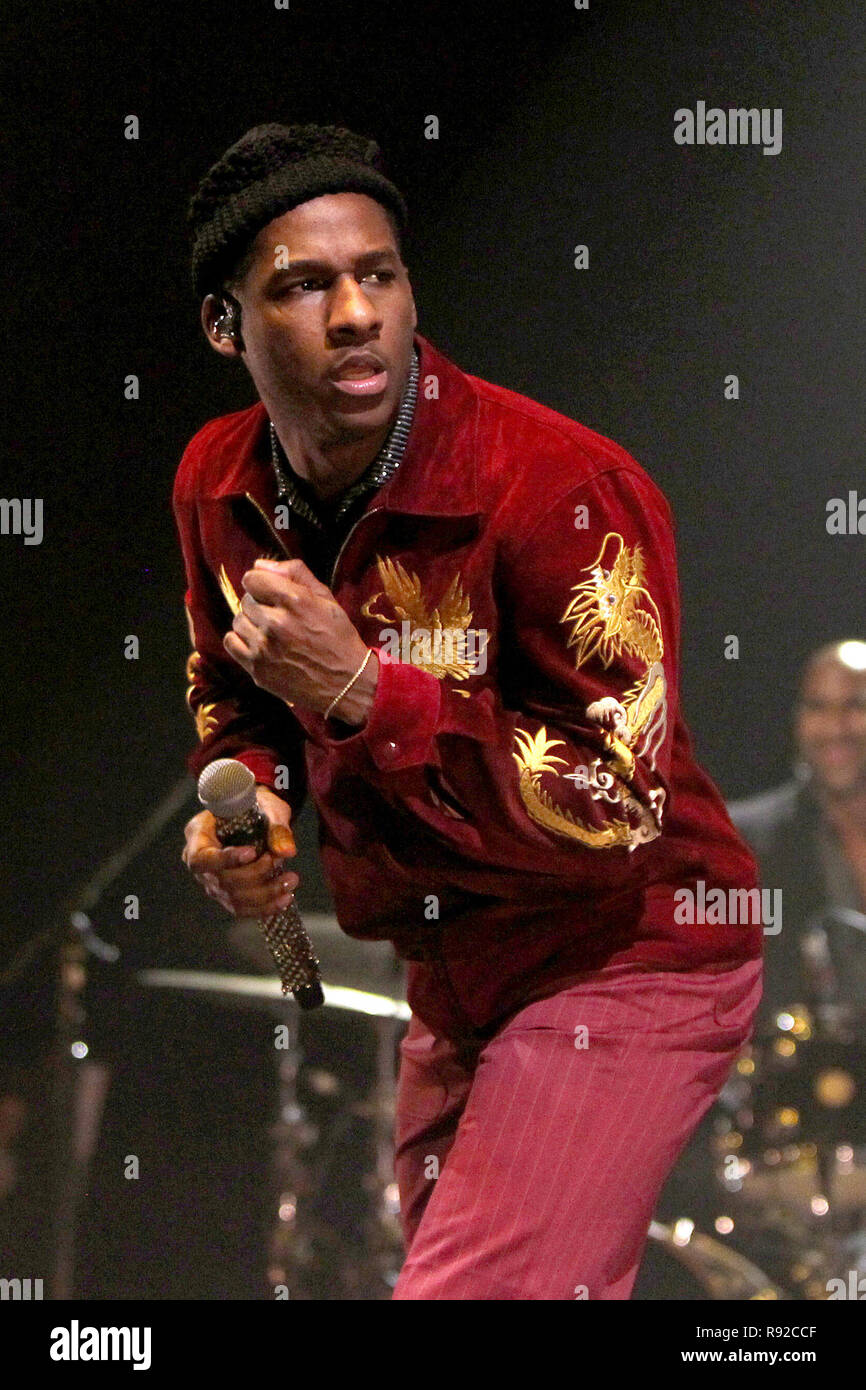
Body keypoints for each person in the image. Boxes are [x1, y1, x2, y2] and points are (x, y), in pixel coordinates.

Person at [175, 122, 762, 1299]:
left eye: (377, 275)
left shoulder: (558, 490)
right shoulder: (217, 480)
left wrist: (364, 692)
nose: (354, 314)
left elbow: (613, 804)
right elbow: (238, 695)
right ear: (224, 324)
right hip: (450, 975)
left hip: (628, 956)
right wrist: (247, 813)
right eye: (302, 286)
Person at [728, 639, 866, 1031]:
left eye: (855, 705)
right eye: (817, 707)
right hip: (800, 1085)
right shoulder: (742, 844)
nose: (834, 728)